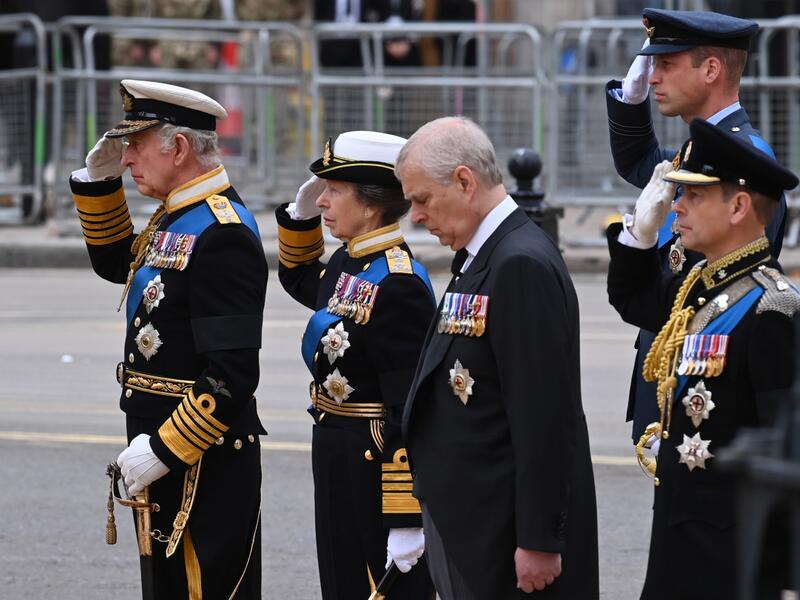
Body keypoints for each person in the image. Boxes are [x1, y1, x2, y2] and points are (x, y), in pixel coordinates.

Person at [69, 79, 267, 599]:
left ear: (178, 148)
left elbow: (233, 372)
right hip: (163, 449)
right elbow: (120, 263)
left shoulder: (221, 231)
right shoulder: (178, 213)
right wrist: (98, 182)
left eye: (135, 145)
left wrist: (164, 448)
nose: (126, 156)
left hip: (202, 456)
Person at [396, 116, 599, 599]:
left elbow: (545, 416)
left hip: (506, 538)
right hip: (475, 525)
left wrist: (539, 539)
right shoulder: (484, 256)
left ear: (465, 181)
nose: (417, 217)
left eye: (422, 199)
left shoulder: (518, 264)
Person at [607, 118, 800, 599]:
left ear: (738, 206)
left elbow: (785, 463)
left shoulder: (772, 309)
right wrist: (638, 234)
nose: (677, 206)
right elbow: (634, 299)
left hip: (731, 557)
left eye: (694, 195)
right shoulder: (702, 286)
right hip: (681, 537)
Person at [605, 7, 789, 443]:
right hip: (677, 368)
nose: (653, 78)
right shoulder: (700, 151)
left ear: (710, 70)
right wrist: (630, 105)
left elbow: (709, 292)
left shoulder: (746, 159)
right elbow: (639, 163)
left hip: (707, 379)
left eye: (666, 65)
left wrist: (638, 246)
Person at [275, 130, 436, 599]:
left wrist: (405, 516)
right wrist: (300, 216)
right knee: (341, 581)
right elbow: (302, 278)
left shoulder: (398, 281)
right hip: (335, 448)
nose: (323, 201)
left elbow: (410, 410)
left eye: (333, 191)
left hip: (372, 459)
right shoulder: (350, 259)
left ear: (370, 205)